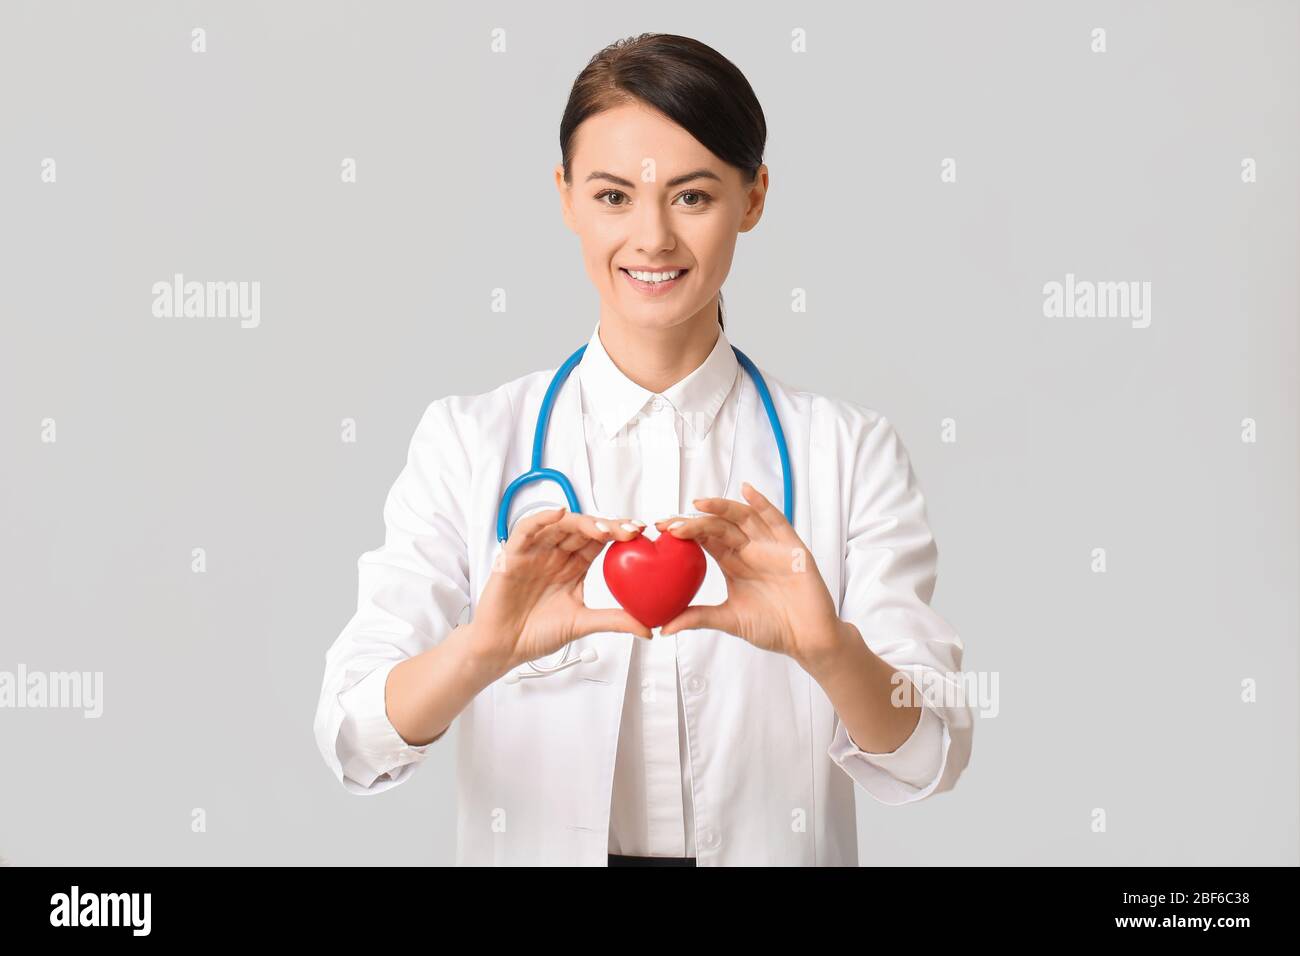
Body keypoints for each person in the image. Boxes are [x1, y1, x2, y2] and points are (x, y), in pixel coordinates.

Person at [313, 32, 973, 866]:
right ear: (565, 198)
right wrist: (483, 649)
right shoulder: (469, 441)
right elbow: (353, 735)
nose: (653, 238)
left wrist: (828, 649)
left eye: (692, 197)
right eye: (613, 196)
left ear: (755, 195)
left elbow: (932, 753)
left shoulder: (849, 452)